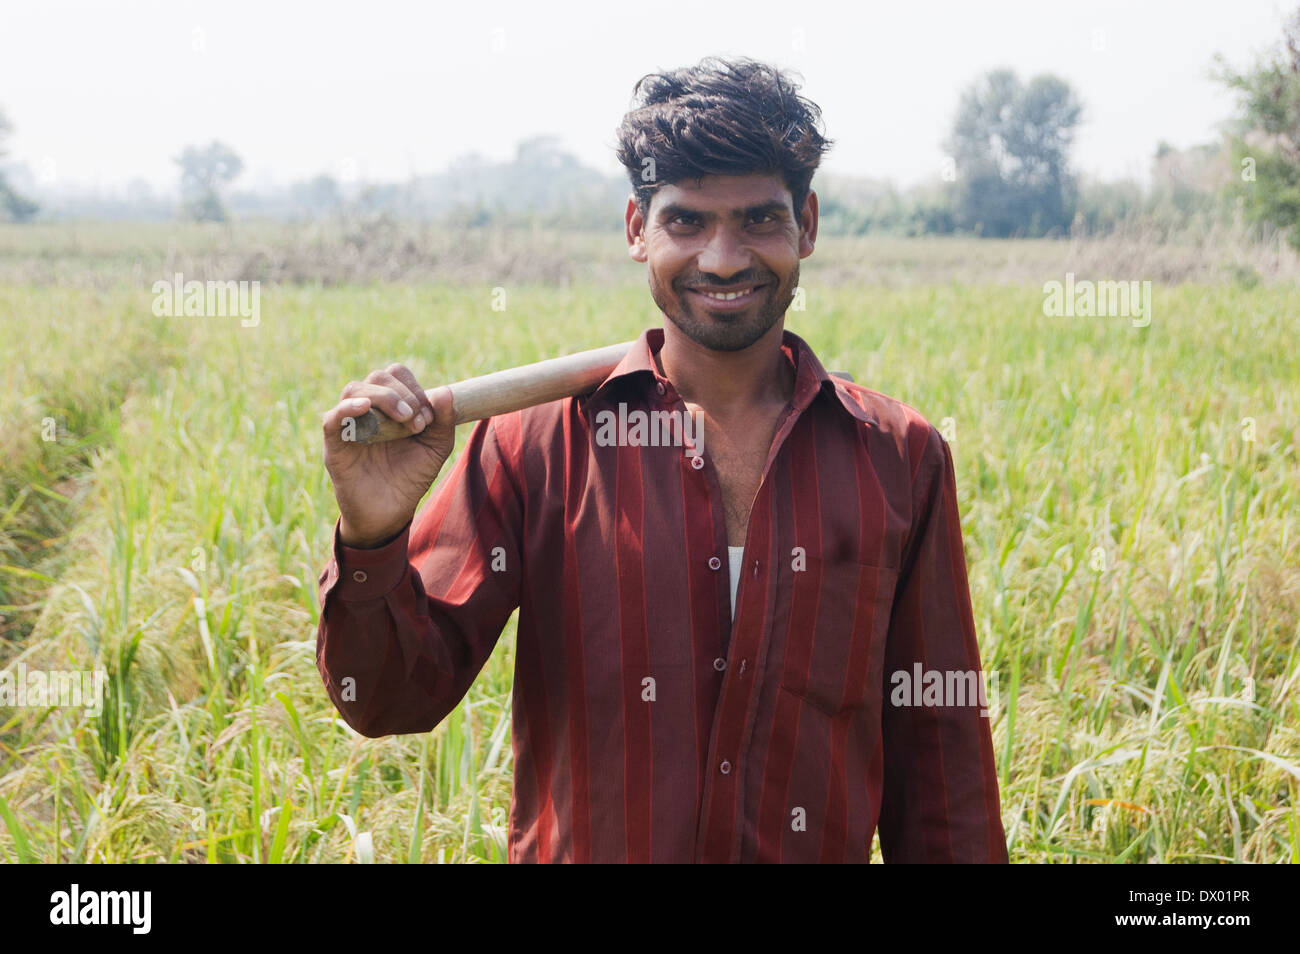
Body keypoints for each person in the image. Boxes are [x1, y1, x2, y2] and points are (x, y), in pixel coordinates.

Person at [317, 56, 1008, 863]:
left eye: (758, 220)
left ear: (807, 226)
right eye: (686, 222)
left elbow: (940, 757)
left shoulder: (898, 460)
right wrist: (372, 537)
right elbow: (390, 699)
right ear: (637, 230)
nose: (722, 258)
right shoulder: (534, 447)